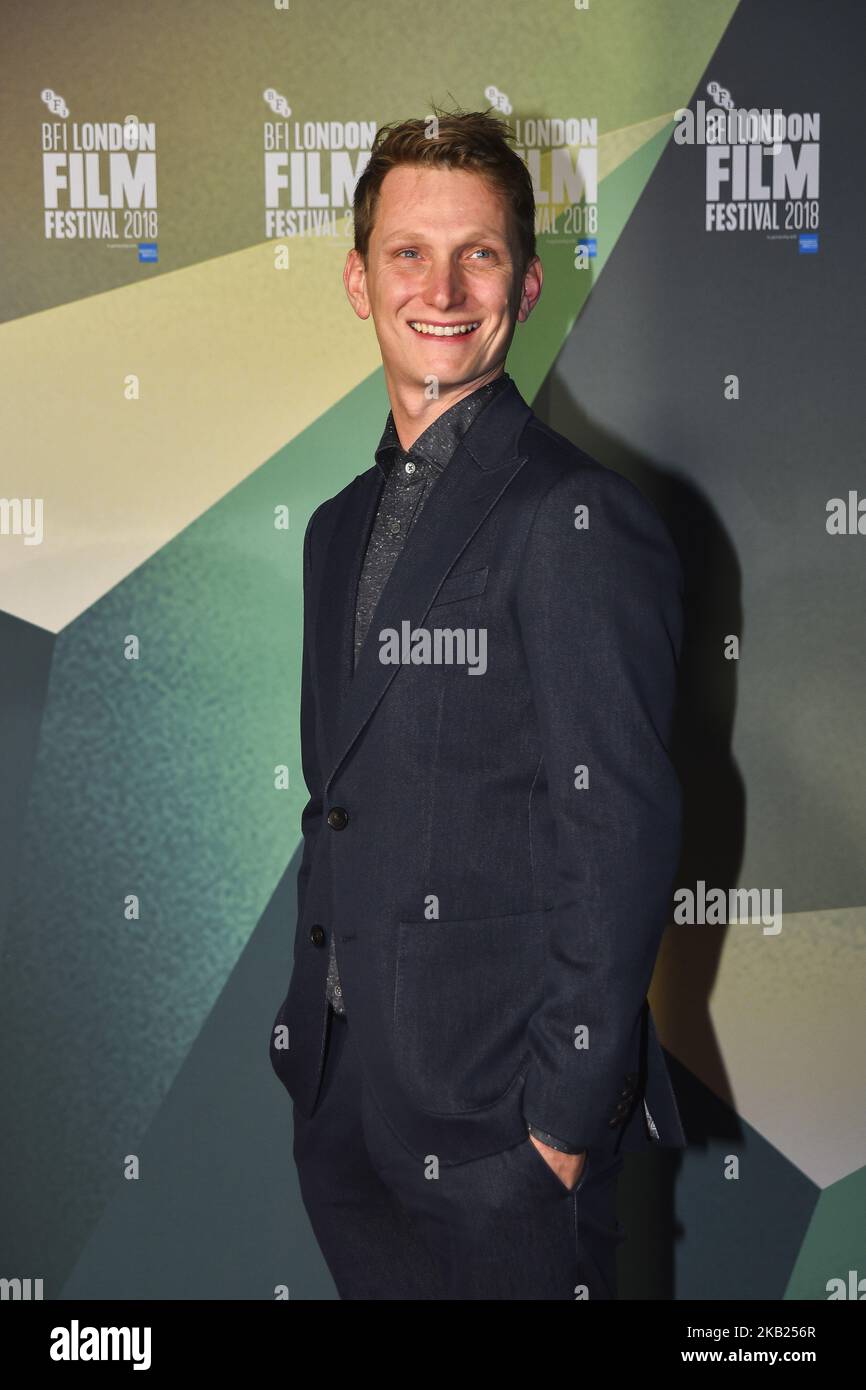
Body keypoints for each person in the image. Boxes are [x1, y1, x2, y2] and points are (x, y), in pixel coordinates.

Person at [269, 105, 687, 1299]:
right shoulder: (337, 530)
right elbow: (342, 800)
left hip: (502, 1128)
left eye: (479, 253)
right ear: (359, 280)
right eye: (409, 252)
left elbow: (619, 830)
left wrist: (557, 1123)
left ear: (527, 280)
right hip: (350, 1106)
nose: (442, 286)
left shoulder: (574, 519)